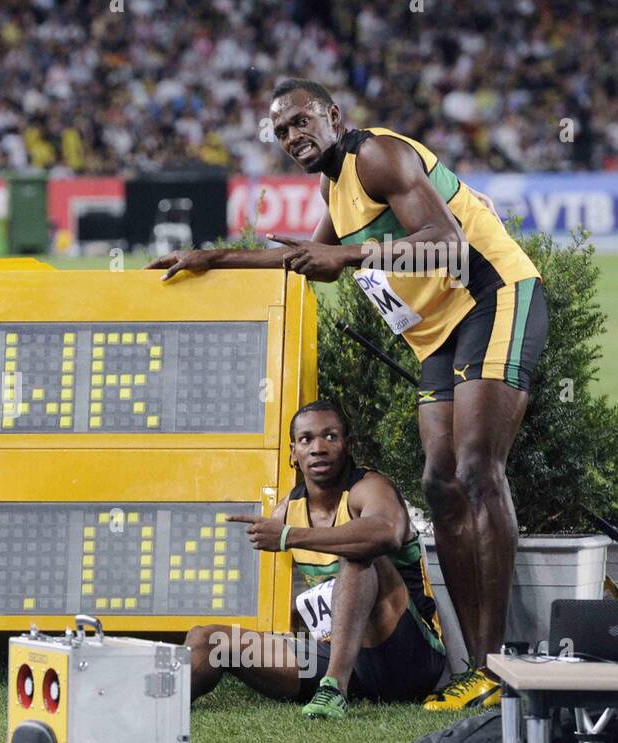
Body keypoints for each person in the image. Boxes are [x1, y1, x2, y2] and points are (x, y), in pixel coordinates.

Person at [151, 79, 547, 711]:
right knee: (441, 482)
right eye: (281, 132)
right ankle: (475, 670)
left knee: (476, 468)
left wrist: (354, 255)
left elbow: (446, 243)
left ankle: (498, 669)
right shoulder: (334, 187)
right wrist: (214, 257)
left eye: (301, 121)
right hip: (438, 340)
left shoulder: (376, 157)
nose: (293, 137)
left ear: (333, 116)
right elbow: (311, 256)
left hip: (493, 298)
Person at [187, 400, 447, 719]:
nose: (318, 448)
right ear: (293, 451)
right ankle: (154, 699)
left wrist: (287, 536)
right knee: (207, 639)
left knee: (356, 551)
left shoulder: (370, 489)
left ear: (348, 445)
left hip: (409, 659)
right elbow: (310, 601)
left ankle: (333, 691)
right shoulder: (287, 510)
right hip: (343, 659)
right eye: (307, 439)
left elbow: (385, 532)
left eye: (331, 437)